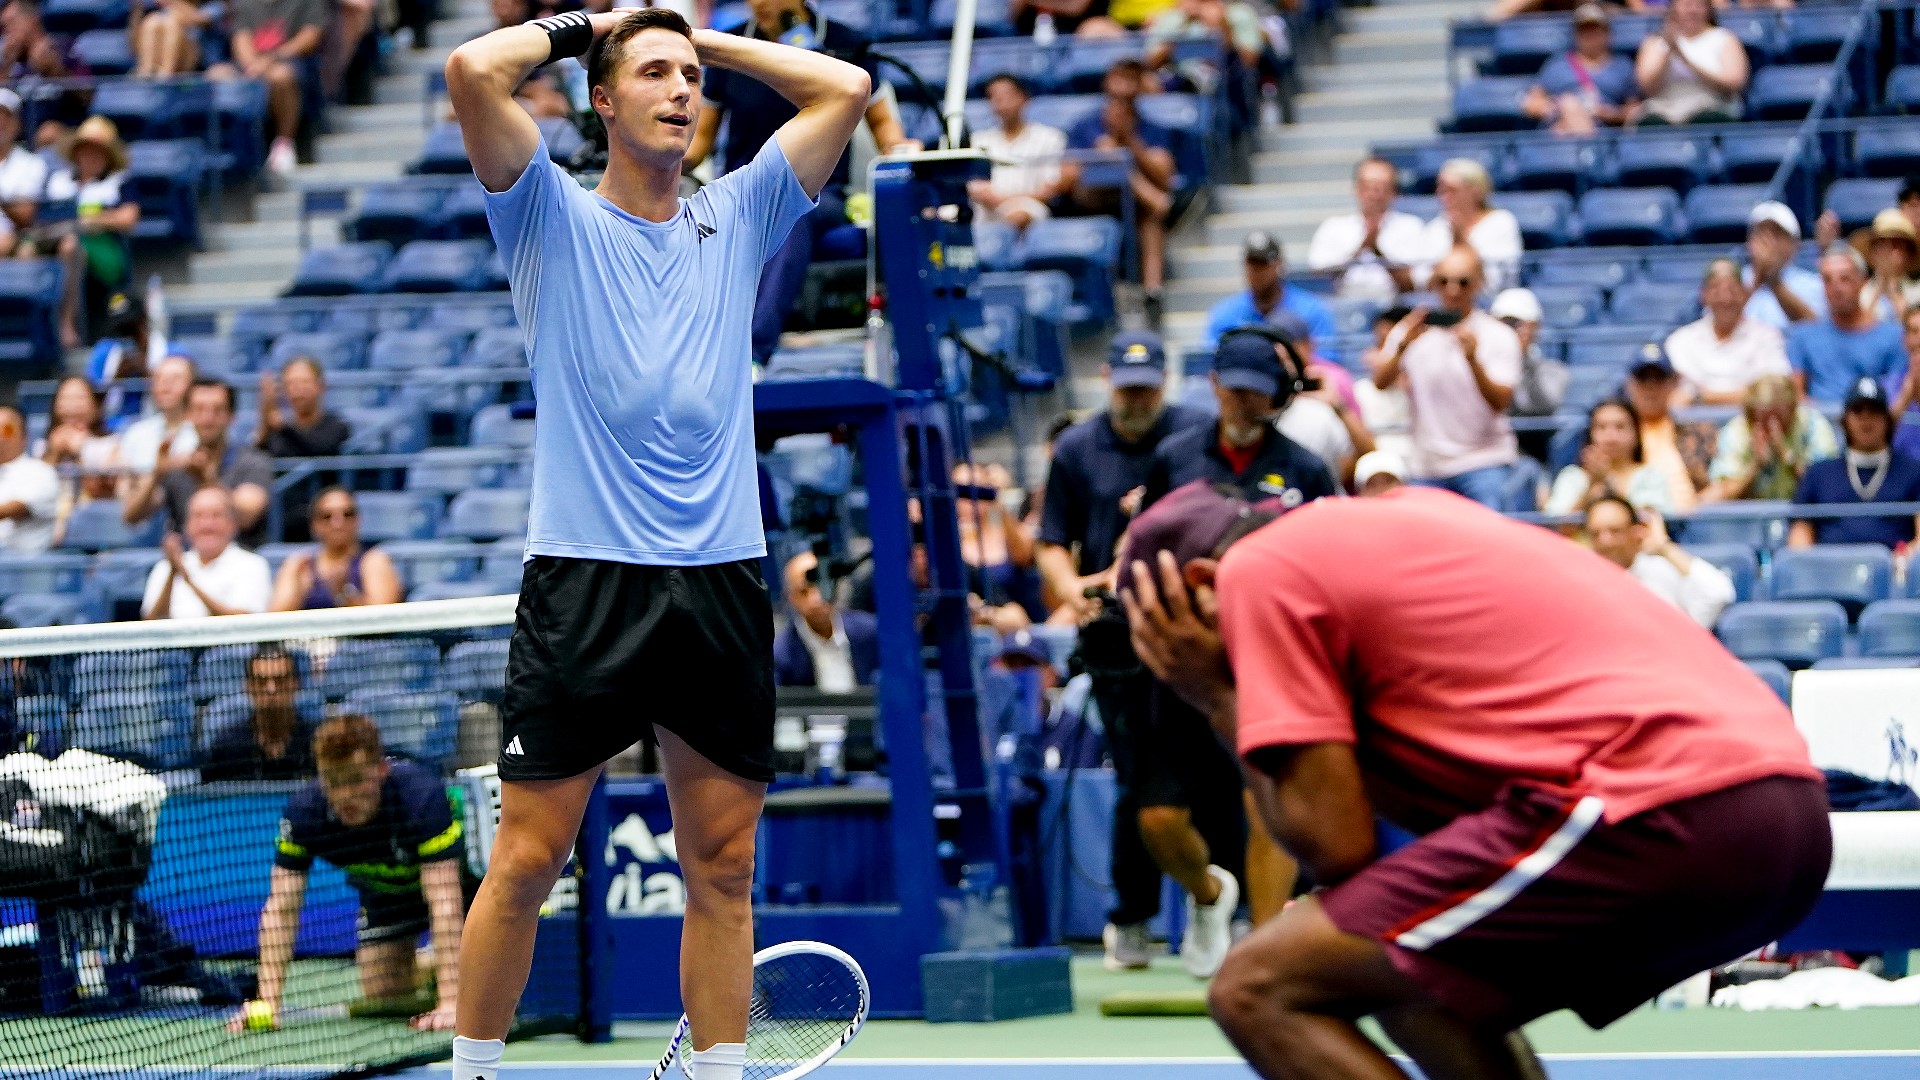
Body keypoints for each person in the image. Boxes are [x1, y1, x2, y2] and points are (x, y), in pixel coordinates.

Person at [445, 9, 870, 1080]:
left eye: (690, 77)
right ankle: (472, 1074)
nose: (681, 89)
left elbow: (845, 88)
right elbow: (472, 67)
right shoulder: (545, 214)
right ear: (602, 98)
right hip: (585, 579)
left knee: (723, 867)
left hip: (719, 581)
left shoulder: (739, 213)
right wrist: (599, 24)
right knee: (526, 860)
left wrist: (701, 37)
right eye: (653, 73)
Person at [1119, 483, 1828, 1080]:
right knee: (1409, 974)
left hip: (1664, 801)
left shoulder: (1256, 571)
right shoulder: (1400, 518)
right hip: (1779, 802)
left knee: (1257, 985)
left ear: (1197, 585)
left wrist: (1217, 694)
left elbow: (1335, 846)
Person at [686, 0, 919, 365]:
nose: (759, 4)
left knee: (791, 208)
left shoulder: (843, 44)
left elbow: (883, 126)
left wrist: (901, 148)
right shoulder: (730, 48)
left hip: (819, 191)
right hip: (739, 192)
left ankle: (750, 355)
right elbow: (700, 143)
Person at [239, 714, 465, 1032]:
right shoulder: (306, 812)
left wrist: (451, 1002)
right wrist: (268, 1002)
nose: (346, 795)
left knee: (492, 976)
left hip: (464, 889)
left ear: (381, 769)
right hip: (386, 895)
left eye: (357, 780)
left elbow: (445, 902)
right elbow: (281, 908)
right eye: (334, 782)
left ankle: (457, 964)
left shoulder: (419, 796)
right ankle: (432, 963)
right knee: (382, 989)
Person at [1037, 330, 1204, 622]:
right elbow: (1052, 539)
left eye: (1146, 389)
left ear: (1165, 379)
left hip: (1186, 607)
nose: (1137, 400)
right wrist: (1070, 587)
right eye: (1128, 390)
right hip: (1108, 610)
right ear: (1106, 377)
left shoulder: (1199, 435)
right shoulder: (1075, 447)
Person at [1372, 247, 1524, 508]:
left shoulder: (1499, 335)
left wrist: (1473, 361)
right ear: (1434, 283)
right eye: (1444, 281)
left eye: (1463, 282)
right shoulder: (1411, 330)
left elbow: (1501, 402)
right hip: (1428, 466)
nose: (1453, 290)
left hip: (1483, 460)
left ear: (1478, 283)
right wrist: (1403, 347)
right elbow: (1380, 383)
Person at [1143, 327, 1340, 510]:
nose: (1244, 403)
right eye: (1236, 391)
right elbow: (1145, 531)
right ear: (1214, 383)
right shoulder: (1174, 458)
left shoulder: (1307, 469)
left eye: (1257, 392)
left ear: (1276, 395)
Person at [1067, 59, 1177, 321]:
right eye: (1119, 77)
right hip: (1091, 198)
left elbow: (1164, 175)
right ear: (1106, 82)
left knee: (1151, 218)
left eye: (1131, 79)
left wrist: (1129, 141)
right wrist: (1105, 154)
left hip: (1136, 205)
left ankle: (1152, 292)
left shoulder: (1150, 126)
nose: (1124, 86)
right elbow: (1067, 175)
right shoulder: (1086, 124)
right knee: (1111, 157)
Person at [21, 117, 138, 349]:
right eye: (86, 150)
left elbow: (129, 218)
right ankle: (30, 325)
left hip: (100, 249)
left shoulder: (118, 183)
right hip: (51, 239)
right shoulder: (58, 181)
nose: (90, 157)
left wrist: (95, 220)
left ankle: (66, 323)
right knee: (27, 250)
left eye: (97, 152)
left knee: (70, 247)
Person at [124, 377, 274, 550]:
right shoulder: (178, 466)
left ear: (231, 416)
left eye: (217, 410)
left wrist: (205, 479)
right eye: (199, 409)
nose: (207, 418)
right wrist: (157, 474)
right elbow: (132, 516)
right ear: (187, 415)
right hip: (188, 557)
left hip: (241, 557)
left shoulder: (253, 461)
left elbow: (247, 517)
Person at [1789, 377, 1920, 549]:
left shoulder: (1913, 472)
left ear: (1887, 419)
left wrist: (1906, 556)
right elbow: (1799, 537)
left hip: (1895, 563)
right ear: (1844, 421)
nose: (1866, 418)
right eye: (1858, 410)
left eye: (1874, 410)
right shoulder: (1818, 474)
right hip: (1828, 564)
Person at [1585, 496, 1735, 628]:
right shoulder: (1584, 582)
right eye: (1595, 534)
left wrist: (1664, 547)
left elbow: (1717, 593)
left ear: (1636, 532)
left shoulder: (1660, 570)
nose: (1605, 541)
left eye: (1615, 531)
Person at [1788, 245, 1908, 405]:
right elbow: (1796, 395)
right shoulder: (1802, 336)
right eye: (1827, 280)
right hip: (1818, 417)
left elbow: (1896, 396)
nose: (1836, 288)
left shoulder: (1894, 337)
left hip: (1872, 415)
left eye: (1844, 279)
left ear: (1863, 281)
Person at [1666, 257, 1791, 406]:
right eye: (1716, 290)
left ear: (1744, 293)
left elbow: (1774, 391)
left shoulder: (1768, 337)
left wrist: (1699, 396)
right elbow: (1676, 396)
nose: (1726, 298)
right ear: (1703, 294)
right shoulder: (1680, 340)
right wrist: (1749, 394)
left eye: (1732, 289)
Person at [224, 0, 326, 177]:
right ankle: (228, 149)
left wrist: (272, 58)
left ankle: (283, 145)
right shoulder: (245, 4)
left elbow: (310, 36)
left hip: (289, 60)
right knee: (217, 74)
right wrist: (253, 65)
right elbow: (241, 38)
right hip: (251, 65)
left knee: (281, 76)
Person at [142, 485, 273, 618]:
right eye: (198, 516)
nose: (207, 525)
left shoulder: (252, 565)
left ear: (233, 523)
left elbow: (242, 620)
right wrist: (172, 573)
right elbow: (151, 620)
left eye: (216, 516)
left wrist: (189, 581)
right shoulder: (165, 567)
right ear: (186, 526)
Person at [1703, 374, 1838, 502]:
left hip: (1804, 514)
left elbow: (1826, 489)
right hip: (1752, 515)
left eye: (1778, 418)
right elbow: (1723, 494)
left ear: (1792, 410)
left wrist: (1787, 456)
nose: (1772, 426)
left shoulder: (1813, 425)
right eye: (1764, 418)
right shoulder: (1736, 431)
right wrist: (1756, 466)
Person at [1306, 158, 1423, 302]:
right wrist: (1360, 249)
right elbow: (1317, 277)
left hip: (1396, 305)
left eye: (1381, 187)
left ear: (1394, 191)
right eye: (1368, 186)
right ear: (1356, 188)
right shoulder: (1333, 227)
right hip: (1343, 304)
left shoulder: (1410, 227)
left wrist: (1378, 251)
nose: (1374, 193)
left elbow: (1416, 283)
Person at [967, 74, 1072, 235]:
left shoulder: (1050, 138)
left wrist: (1010, 200)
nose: (1000, 101)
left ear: (1023, 98)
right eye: (994, 97)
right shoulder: (979, 141)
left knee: (1018, 216)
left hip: (1029, 205)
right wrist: (995, 200)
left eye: (1006, 95)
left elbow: (1050, 188)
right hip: (985, 207)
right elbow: (974, 186)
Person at [268, 487, 403, 610]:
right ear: (314, 524)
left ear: (358, 519)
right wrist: (297, 589)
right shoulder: (300, 564)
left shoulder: (373, 561)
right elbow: (276, 617)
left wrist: (344, 593)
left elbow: (382, 619)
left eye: (347, 514)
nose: (338, 523)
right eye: (327, 516)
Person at [1202, 231, 1337, 350]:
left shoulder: (1310, 310)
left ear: (1279, 264)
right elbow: (1211, 359)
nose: (1258, 272)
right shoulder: (1225, 313)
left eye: (1264, 264)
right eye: (1253, 265)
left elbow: (1327, 360)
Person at [202, 644, 318, 782]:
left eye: (280, 680)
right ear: (248, 687)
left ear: (295, 684)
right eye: (261, 681)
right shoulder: (227, 748)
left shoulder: (317, 742)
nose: (271, 689)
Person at [772, 548, 880, 690]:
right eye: (803, 592)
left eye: (820, 585)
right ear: (791, 598)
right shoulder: (781, 657)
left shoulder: (871, 633)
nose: (815, 599)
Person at [1545, 398, 1673, 515]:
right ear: (1590, 435)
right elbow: (1556, 526)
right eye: (1602, 427)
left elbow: (1651, 522)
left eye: (1620, 427)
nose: (1611, 437)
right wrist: (1592, 485)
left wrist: (1608, 480)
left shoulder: (1650, 476)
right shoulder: (1572, 476)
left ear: (1636, 434)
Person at [1525, 4, 1638, 136]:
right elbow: (1531, 103)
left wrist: (1611, 114)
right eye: (1584, 30)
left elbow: (1634, 111)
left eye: (1594, 29)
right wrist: (1555, 107)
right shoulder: (1557, 64)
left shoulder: (1622, 66)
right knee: (1568, 106)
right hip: (1560, 123)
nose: (1589, 36)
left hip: (1603, 131)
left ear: (1607, 33)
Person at [1413, 158, 1522, 294]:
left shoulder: (1501, 222)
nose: (1443, 197)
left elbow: (1494, 281)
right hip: (1441, 303)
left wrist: (1460, 240)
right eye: (1440, 190)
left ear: (1476, 191)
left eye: (1451, 190)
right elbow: (1421, 278)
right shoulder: (1436, 227)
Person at [1633, 0, 1748, 125]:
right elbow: (1647, 87)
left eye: (1699, 5)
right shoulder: (1655, 41)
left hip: (1711, 106)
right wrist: (1669, 52)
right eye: (1687, 5)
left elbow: (1732, 85)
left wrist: (1685, 59)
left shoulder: (1724, 38)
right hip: (1665, 109)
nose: (1693, 10)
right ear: (1674, 8)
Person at [39, 375, 121, 544]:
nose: (72, 405)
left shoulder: (110, 444)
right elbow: (35, 489)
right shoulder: (43, 445)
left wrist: (79, 454)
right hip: (48, 518)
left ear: (95, 406)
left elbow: (103, 493)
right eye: (66, 398)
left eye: (80, 398)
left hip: (94, 523)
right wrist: (53, 453)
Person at [1623, 351, 1704, 511]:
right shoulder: (1617, 432)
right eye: (1643, 378)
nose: (1650, 387)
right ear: (1630, 384)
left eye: (1658, 379)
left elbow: (1715, 483)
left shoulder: (1694, 431)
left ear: (1673, 383)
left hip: (1689, 517)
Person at [1744, 201, 1824, 331]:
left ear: (1794, 245)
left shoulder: (1814, 284)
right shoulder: (1734, 280)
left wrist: (1773, 279)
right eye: (1760, 233)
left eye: (1776, 234)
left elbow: (1817, 331)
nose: (1767, 240)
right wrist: (1757, 277)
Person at [1490, 287, 1567, 420]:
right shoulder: (1481, 364)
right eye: (1506, 322)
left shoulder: (1554, 370)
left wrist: (1522, 356)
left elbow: (1546, 406)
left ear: (1535, 327)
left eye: (1517, 323)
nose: (1510, 330)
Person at [116, 353, 199, 474]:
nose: (165, 386)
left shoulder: (204, 432)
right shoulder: (136, 433)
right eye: (159, 378)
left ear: (193, 385)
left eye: (175, 379)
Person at [256, 356, 351, 456]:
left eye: (305, 382)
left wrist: (284, 428)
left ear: (321, 386)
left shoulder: (336, 427)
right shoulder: (279, 434)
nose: (298, 390)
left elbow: (320, 448)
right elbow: (259, 454)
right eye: (291, 384)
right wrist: (265, 421)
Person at [0, 404, 59, 554]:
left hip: (21, 563)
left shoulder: (40, 472)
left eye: (7, 430)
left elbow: (17, 508)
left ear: (24, 437)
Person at [0, 89, 47, 255]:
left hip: (12, 238)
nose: (0, 124)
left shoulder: (31, 164)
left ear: (17, 124)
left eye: (5, 118)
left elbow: (25, 216)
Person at [1857, 208, 1919, 322]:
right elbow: (1860, 328)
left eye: (1897, 245)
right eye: (1882, 245)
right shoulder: (1859, 291)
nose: (1889, 252)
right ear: (1873, 253)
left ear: (1909, 254)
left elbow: (1911, 328)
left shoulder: (1917, 290)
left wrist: (1893, 287)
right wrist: (1879, 286)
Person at [132, 0, 213, 77]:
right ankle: (147, 70)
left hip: (192, 57)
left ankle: (166, 73)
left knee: (171, 24)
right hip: (157, 59)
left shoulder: (209, 5)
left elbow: (203, 19)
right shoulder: (159, 11)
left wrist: (172, 2)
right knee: (152, 22)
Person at [0, 0, 67, 79]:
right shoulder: (13, 61)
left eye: (12, 23)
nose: (7, 32)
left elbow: (78, 84)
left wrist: (53, 69)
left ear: (32, 19)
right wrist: (7, 65)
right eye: (4, 27)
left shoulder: (64, 47)